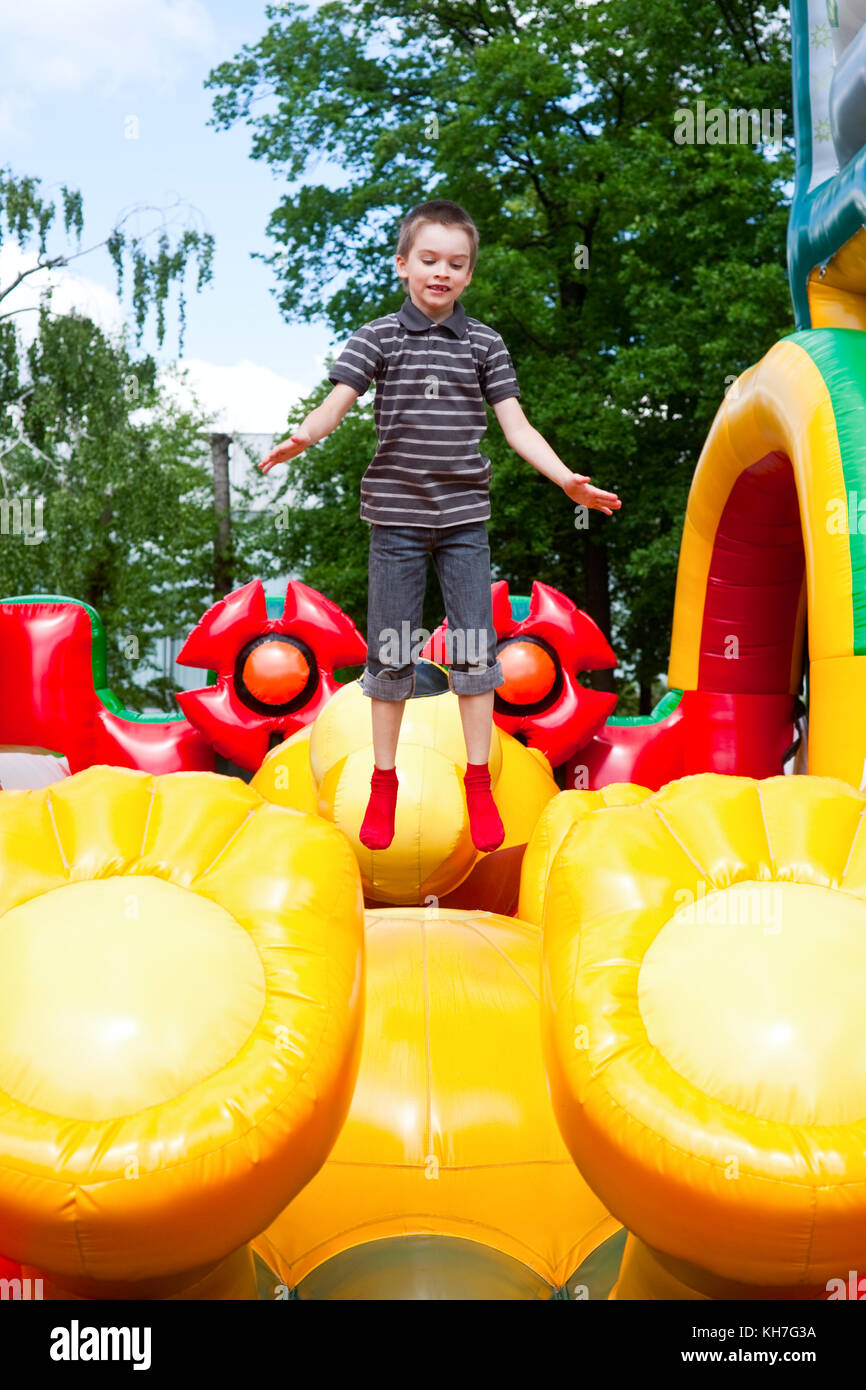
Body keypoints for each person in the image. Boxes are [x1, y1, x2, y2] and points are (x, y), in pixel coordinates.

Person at [260, 199, 621, 853]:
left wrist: (566, 478)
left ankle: (479, 779)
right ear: (404, 265)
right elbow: (335, 404)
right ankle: (384, 779)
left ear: (468, 275)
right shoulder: (377, 338)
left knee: (474, 656)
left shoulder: (484, 343)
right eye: (429, 260)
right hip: (395, 522)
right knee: (392, 654)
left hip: (462, 522)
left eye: (456, 264)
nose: (441, 272)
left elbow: (517, 426)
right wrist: (302, 439)